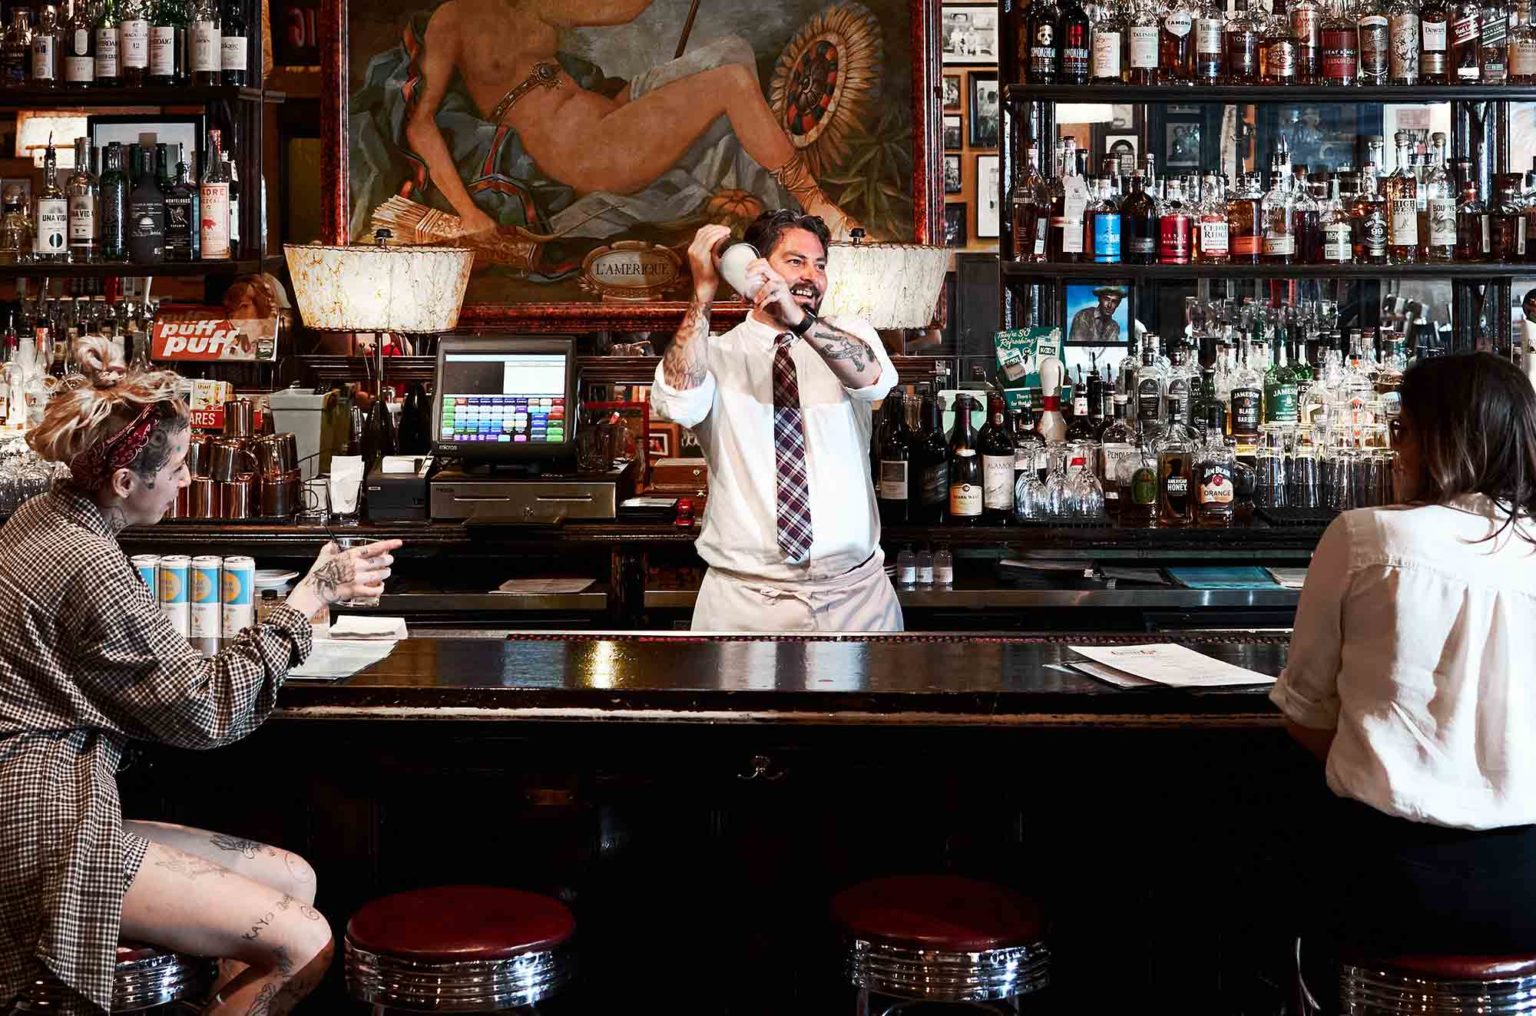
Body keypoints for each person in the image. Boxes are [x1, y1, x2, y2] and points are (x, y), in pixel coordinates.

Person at [0, 369, 401, 1016]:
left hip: (54, 800)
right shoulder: (87, 563)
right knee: (306, 943)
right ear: (124, 482)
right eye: (178, 467)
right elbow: (207, 709)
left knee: (295, 877)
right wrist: (308, 600)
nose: (188, 480)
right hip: (45, 828)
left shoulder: (43, 514)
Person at [1271, 353, 1536, 1009]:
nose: (1396, 452)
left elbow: (1304, 714)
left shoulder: (1366, 538)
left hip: (1390, 881)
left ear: (1443, 440)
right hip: (1526, 889)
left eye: (1405, 431)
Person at [398, 0, 858, 240]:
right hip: (585, 153)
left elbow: (624, 8)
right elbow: (421, 123)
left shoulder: (532, 5)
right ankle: (815, 205)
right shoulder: (452, 18)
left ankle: (759, 206)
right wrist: (469, 212)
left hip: (612, 119)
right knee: (731, 82)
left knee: (731, 51)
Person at [650, 210, 902, 632]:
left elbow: (873, 381)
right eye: (796, 261)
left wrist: (799, 319)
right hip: (744, 603)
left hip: (855, 601)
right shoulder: (717, 353)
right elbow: (678, 404)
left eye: (820, 265)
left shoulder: (846, 333)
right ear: (754, 268)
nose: (811, 276)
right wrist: (703, 294)